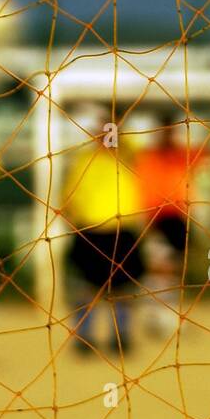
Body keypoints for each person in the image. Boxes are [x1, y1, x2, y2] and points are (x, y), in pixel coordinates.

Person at [61, 110, 146, 354]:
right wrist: (70, 216)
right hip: (89, 230)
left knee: (122, 289)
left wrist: (118, 127)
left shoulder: (128, 155)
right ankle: (84, 337)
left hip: (122, 230)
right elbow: (70, 194)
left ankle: (121, 336)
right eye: (103, 128)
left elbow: (129, 149)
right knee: (84, 287)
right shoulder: (84, 158)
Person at [133, 110, 202, 337]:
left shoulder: (183, 154)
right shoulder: (146, 155)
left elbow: (208, 155)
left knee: (174, 269)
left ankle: (165, 315)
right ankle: (160, 316)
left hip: (178, 215)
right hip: (155, 217)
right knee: (159, 267)